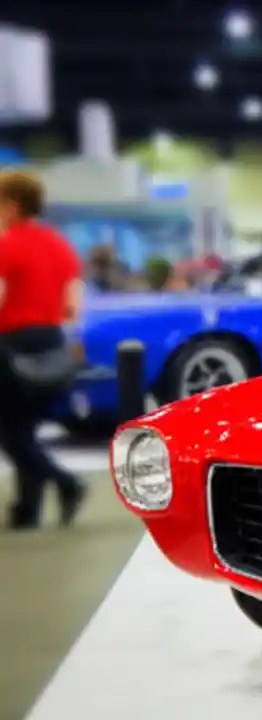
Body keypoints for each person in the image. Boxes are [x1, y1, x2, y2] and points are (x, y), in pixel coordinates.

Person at [0, 172, 86, 530]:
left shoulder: (6, 245)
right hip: (52, 344)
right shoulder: (60, 245)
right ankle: (27, 510)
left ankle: (66, 482)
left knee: (9, 431)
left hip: (12, 345)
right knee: (23, 427)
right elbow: (72, 307)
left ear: (13, 205)